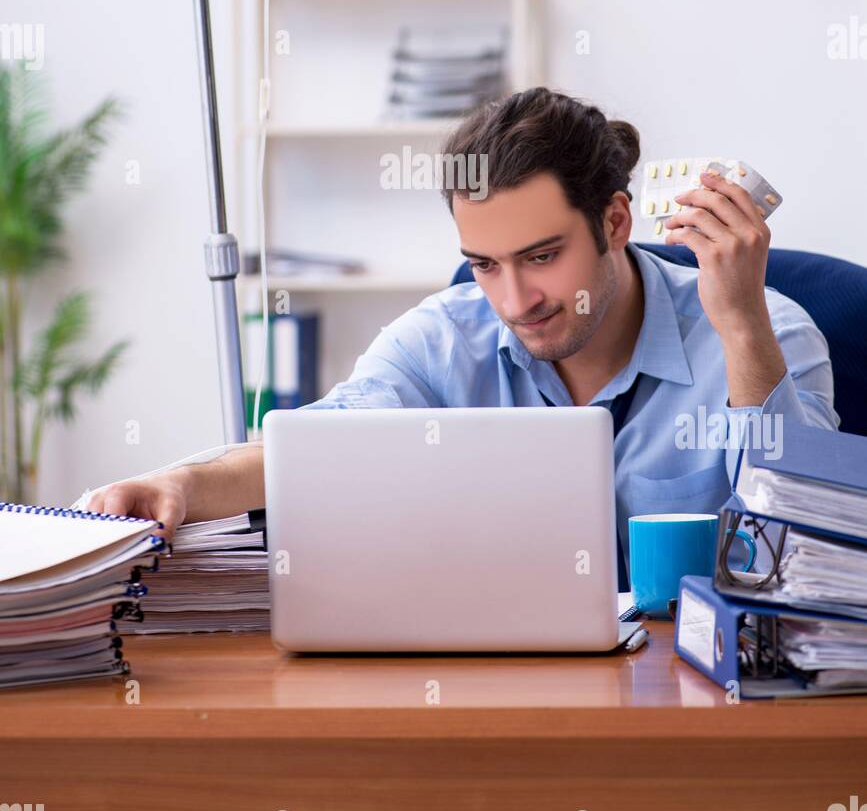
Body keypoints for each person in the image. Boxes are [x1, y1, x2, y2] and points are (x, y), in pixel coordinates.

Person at [80, 88, 839, 578]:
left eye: (541, 257)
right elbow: (310, 446)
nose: (514, 300)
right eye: (483, 264)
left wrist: (741, 327)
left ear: (614, 221)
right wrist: (181, 485)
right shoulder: (442, 341)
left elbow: (804, 548)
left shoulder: (769, 331)